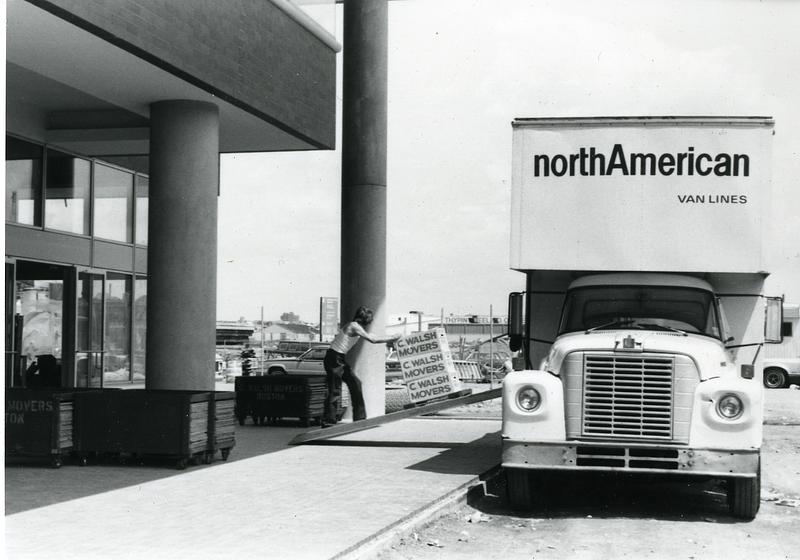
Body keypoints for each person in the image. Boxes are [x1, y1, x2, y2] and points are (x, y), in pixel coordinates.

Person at [323, 306, 400, 426]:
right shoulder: (353, 326)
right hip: (334, 358)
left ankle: (360, 418)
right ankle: (328, 421)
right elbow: (372, 340)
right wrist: (393, 338)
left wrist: (390, 337)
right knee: (335, 390)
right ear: (365, 319)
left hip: (339, 359)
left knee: (356, 384)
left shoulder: (356, 327)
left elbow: (373, 336)